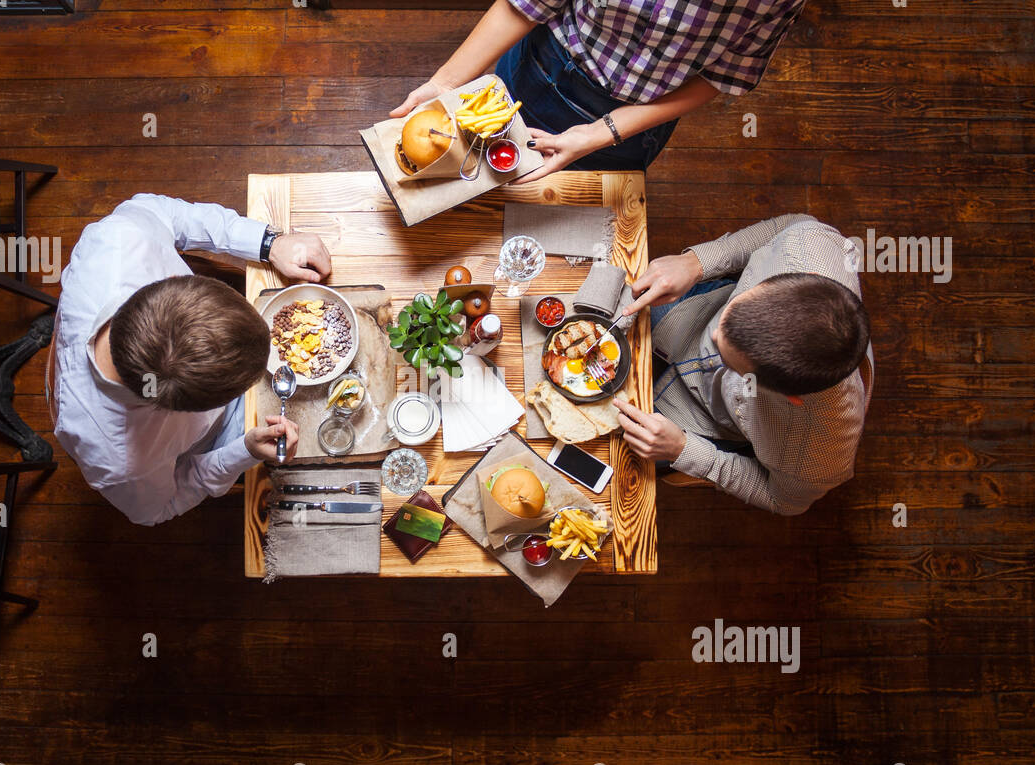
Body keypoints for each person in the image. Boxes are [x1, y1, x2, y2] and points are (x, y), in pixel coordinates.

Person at [50, 194, 332, 526]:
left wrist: (269, 243)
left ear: (172, 282)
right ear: (181, 411)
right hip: (215, 435)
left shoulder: (117, 241)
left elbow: (168, 214)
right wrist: (243, 452)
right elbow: (161, 507)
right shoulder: (121, 462)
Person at [612, 214, 873, 516]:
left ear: (791, 399)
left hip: (694, 420)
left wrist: (685, 451)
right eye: (730, 317)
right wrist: (698, 264)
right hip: (689, 314)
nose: (713, 337)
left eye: (730, 362)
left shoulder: (814, 455)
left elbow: (782, 501)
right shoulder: (810, 245)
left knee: (609, 456)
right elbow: (789, 226)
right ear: (796, 275)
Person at [391, 0, 807, 179]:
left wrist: (598, 133)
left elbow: (723, 74)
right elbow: (529, 4)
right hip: (542, 69)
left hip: (633, 122)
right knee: (476, 165)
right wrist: (444, 83)